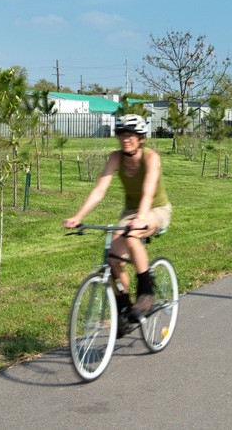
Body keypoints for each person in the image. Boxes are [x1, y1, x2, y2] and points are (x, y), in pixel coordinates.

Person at [64, 114, 173, 331]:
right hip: (131, 212)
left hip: (156, 209)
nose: (125, 139)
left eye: (130, 135)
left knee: (132, 236)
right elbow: (99, 190)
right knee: (113, 260)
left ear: (141, 138)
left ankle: (146, 293)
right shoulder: (116, 158)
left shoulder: (151, 157)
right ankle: (124, 309)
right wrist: (78, 216)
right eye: (122, 135)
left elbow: (147, 192)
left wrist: (140, 220)